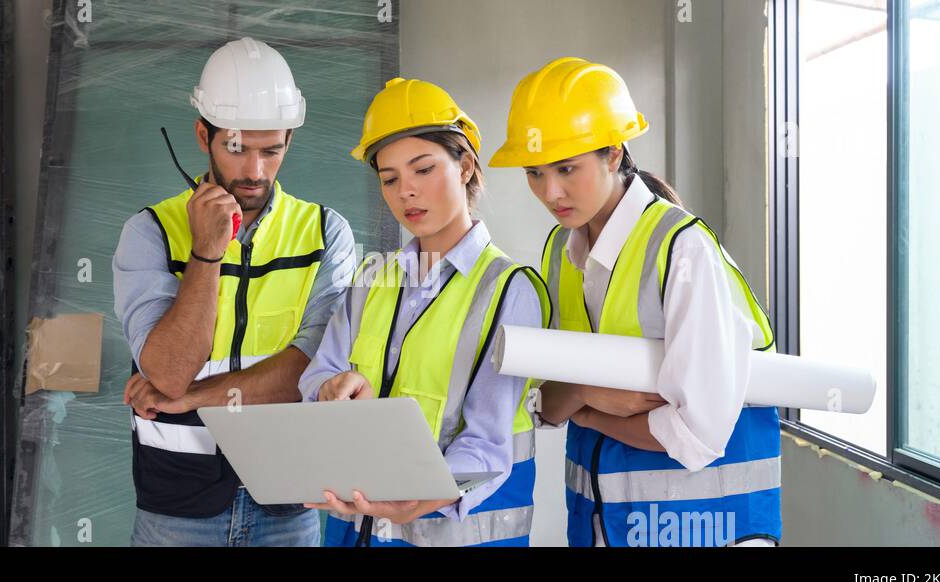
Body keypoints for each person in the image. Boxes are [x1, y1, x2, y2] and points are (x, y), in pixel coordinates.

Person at [488, 57, 781, 547]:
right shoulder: (561, 253)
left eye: (566, 168)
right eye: (534, 172)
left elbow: (698, 434)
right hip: (605, 521)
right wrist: (584, 393)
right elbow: (544, 401)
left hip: (707, 527)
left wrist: (589, 407)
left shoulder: (683, 250)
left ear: (612, 154)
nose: (549, 191)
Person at [113, 37, 356, 547]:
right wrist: (206, 252)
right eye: (237, 147)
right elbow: (169, 371)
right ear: (204, 134)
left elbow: (312, 367)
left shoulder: (325, 232)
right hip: (176, 506)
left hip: (288, 498)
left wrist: (191, 400)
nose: (255, 171)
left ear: (290, 138)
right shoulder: (150, 232)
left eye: (272, 150)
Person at [300, 78, 549, 547]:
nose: (406, 192)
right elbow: (317, 377)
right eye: (390, 179)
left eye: (423, 170)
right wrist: (330, 388)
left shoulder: (509, 290)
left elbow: (486, 444)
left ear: (466, 166)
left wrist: (410, 497)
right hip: (357, 530)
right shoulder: (373, 278)